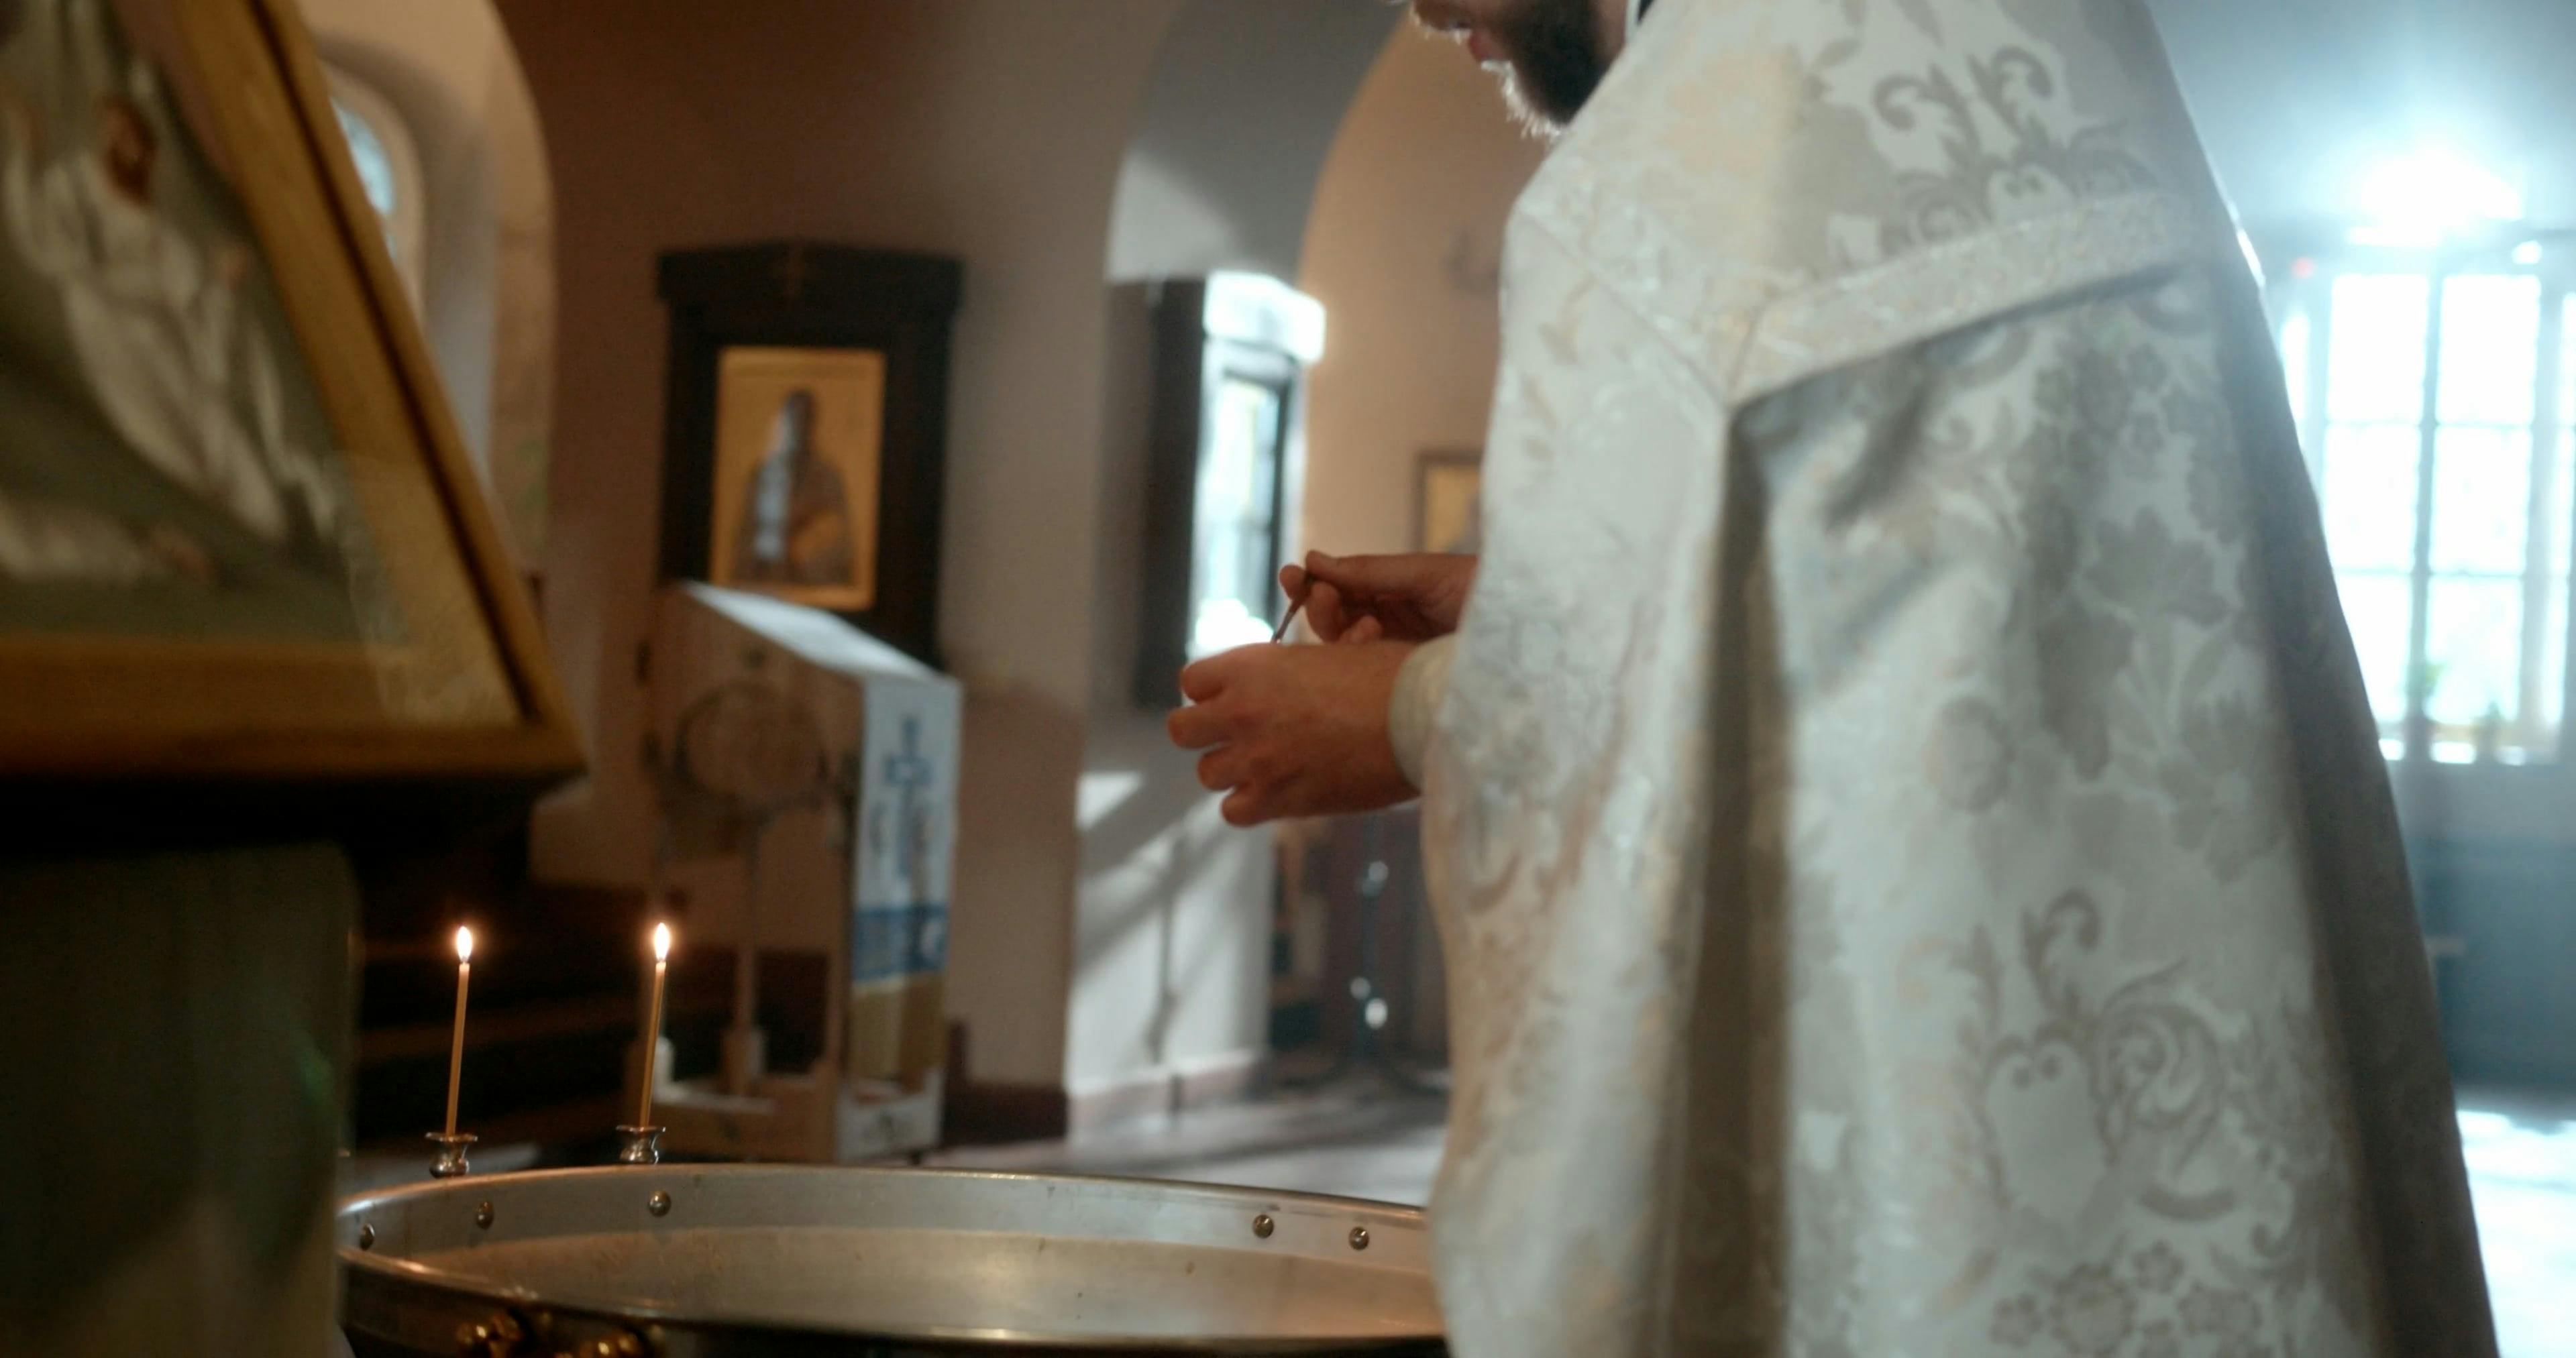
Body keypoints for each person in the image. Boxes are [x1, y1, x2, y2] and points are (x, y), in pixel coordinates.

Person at [1167, 0, 2497, 1353]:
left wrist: (1408, 712)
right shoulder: (2044, 47)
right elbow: (1958, 621)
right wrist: (1523, 610)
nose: (1427, 3)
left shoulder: (1688, 159)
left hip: (1946, 1191)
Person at [733, 388, 856, 588]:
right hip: (767, 582)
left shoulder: (828, 478)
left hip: (812, 583)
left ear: (813, 423)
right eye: (794, 418)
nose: (799, 426)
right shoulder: (764, 474)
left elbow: (841, 541)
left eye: (805, 419)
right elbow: (746, 536)